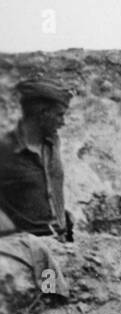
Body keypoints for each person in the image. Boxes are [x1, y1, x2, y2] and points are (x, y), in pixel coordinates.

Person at [0, 79, 74, 241]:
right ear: (43, 113)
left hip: (60, 242)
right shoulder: (5, 148)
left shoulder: (53, 142)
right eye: (59, 115)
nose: (63, 122)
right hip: (24, 248)